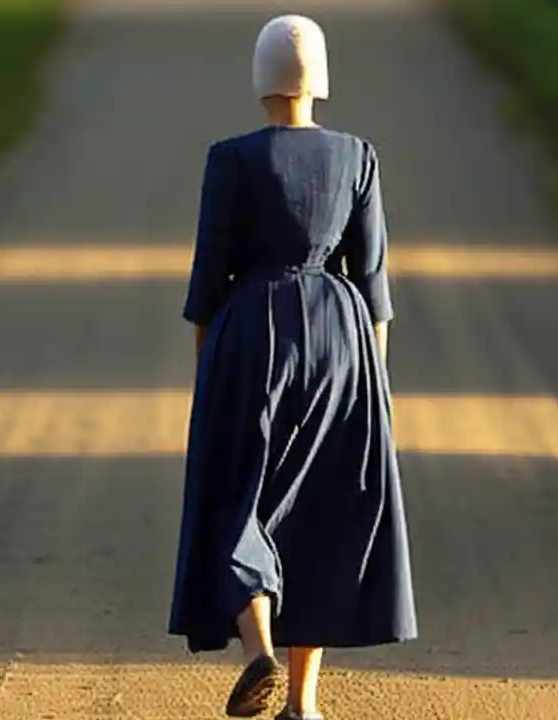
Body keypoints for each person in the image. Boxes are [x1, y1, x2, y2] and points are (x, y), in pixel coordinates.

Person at [168, 14, 418, 720]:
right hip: (342, 341)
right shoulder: (358, 156)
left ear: (259, 81)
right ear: (321, 82)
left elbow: (206, 286)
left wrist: (206, 381)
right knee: (320, 513)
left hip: (251, 333)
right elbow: (374, 290)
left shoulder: (231, 159)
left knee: (238, 491)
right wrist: (374, 388)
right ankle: (303, 705)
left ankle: (258, 651)